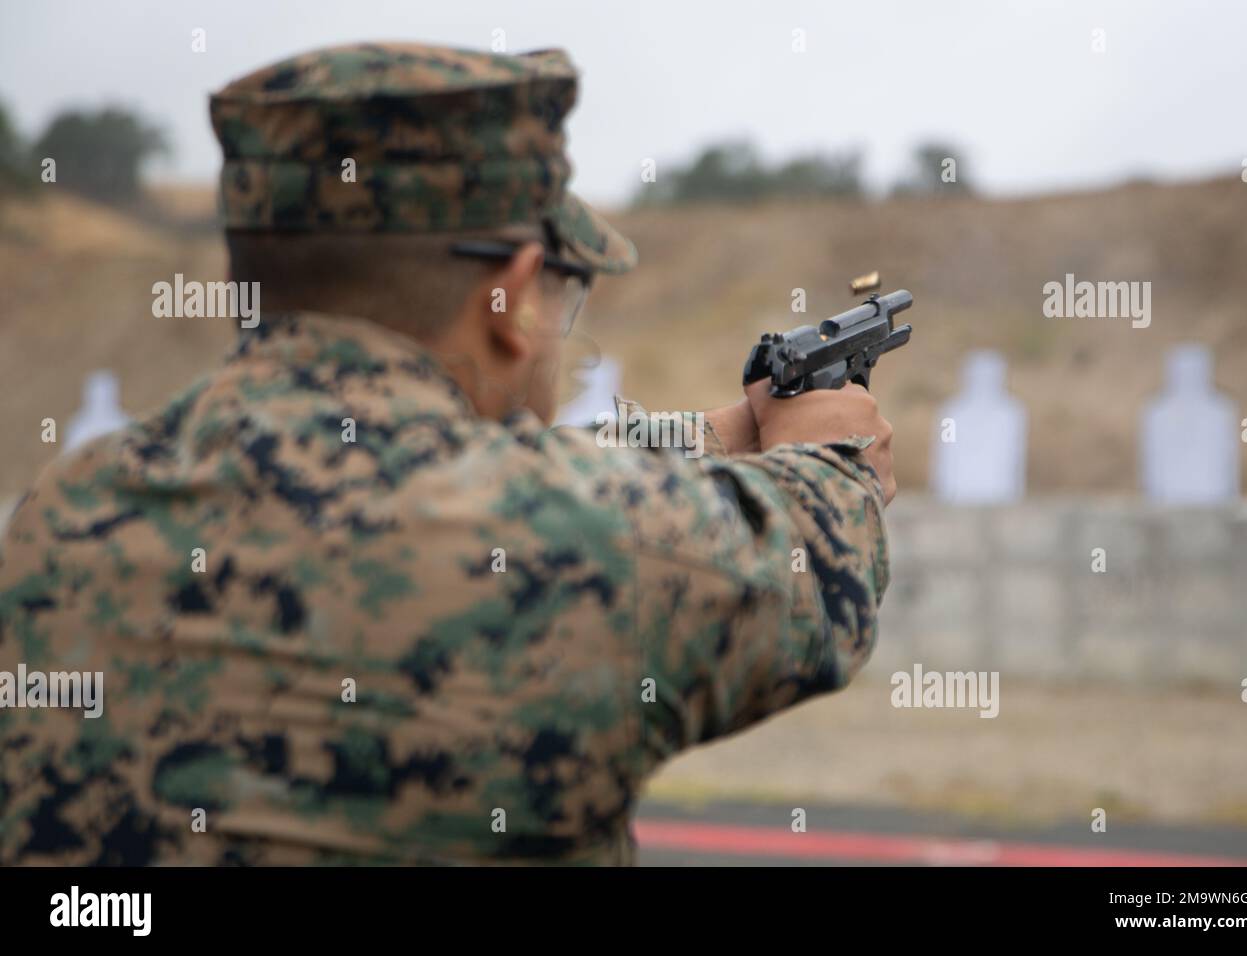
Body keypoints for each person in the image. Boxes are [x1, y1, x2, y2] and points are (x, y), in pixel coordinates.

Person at [0, 42, 894, 865]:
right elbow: (809, 570)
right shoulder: (576, 544)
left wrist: (709, 437)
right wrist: (833, 457)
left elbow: (444, 484)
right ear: (506, 304)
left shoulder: (67, 509)